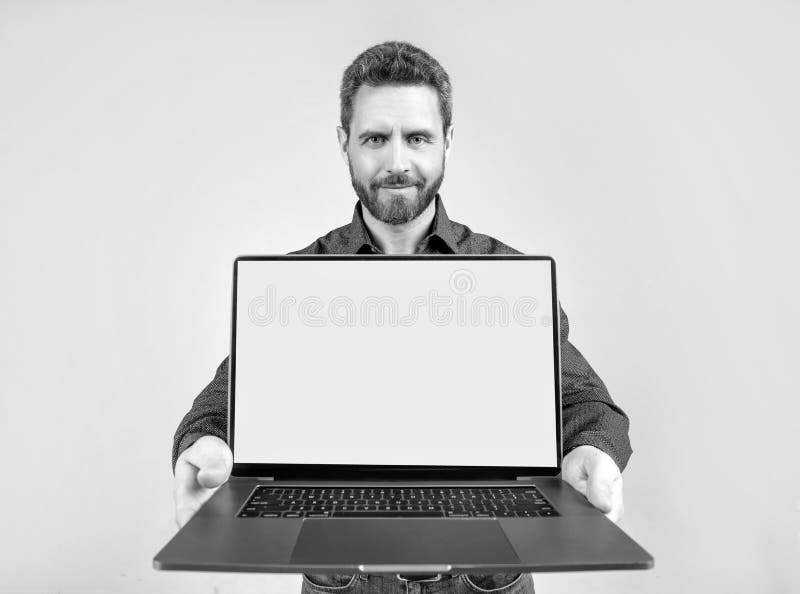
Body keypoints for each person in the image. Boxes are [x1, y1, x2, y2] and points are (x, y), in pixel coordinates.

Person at [171, 41, 632, 594]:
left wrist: (591, 450)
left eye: (417, 138)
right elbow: (224, 402)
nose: (396, 163)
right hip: (341, 577)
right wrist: (202, 446)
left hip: (486, 579)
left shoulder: (504, 274)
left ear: (448, 142)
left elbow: (584, 400)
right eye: (374, 138)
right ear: (344, 142)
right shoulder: (299, 279)